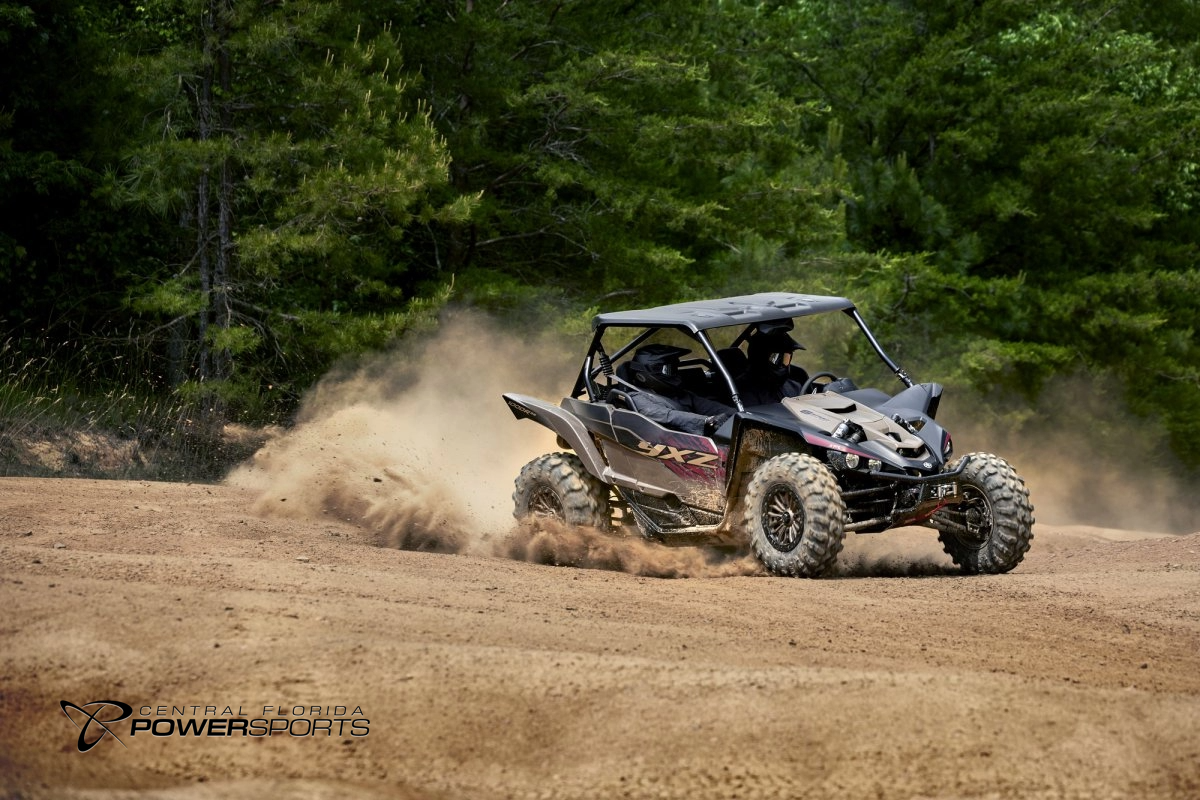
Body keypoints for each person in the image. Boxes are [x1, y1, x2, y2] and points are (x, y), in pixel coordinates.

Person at [620, 344, 734, 437]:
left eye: (675, 368)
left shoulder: (677, 393)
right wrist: (708, 422)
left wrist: (738, 416)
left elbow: (711, 407)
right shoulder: (638, 398)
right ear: (644, 375)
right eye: (669, 370)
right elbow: (669, 416)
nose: (676, 374)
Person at [736, 322, 807, 406]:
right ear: (759, 358)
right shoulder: (739, 394)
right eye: (776, 358)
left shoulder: (794, 388)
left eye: (787, 358)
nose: (784, 365)